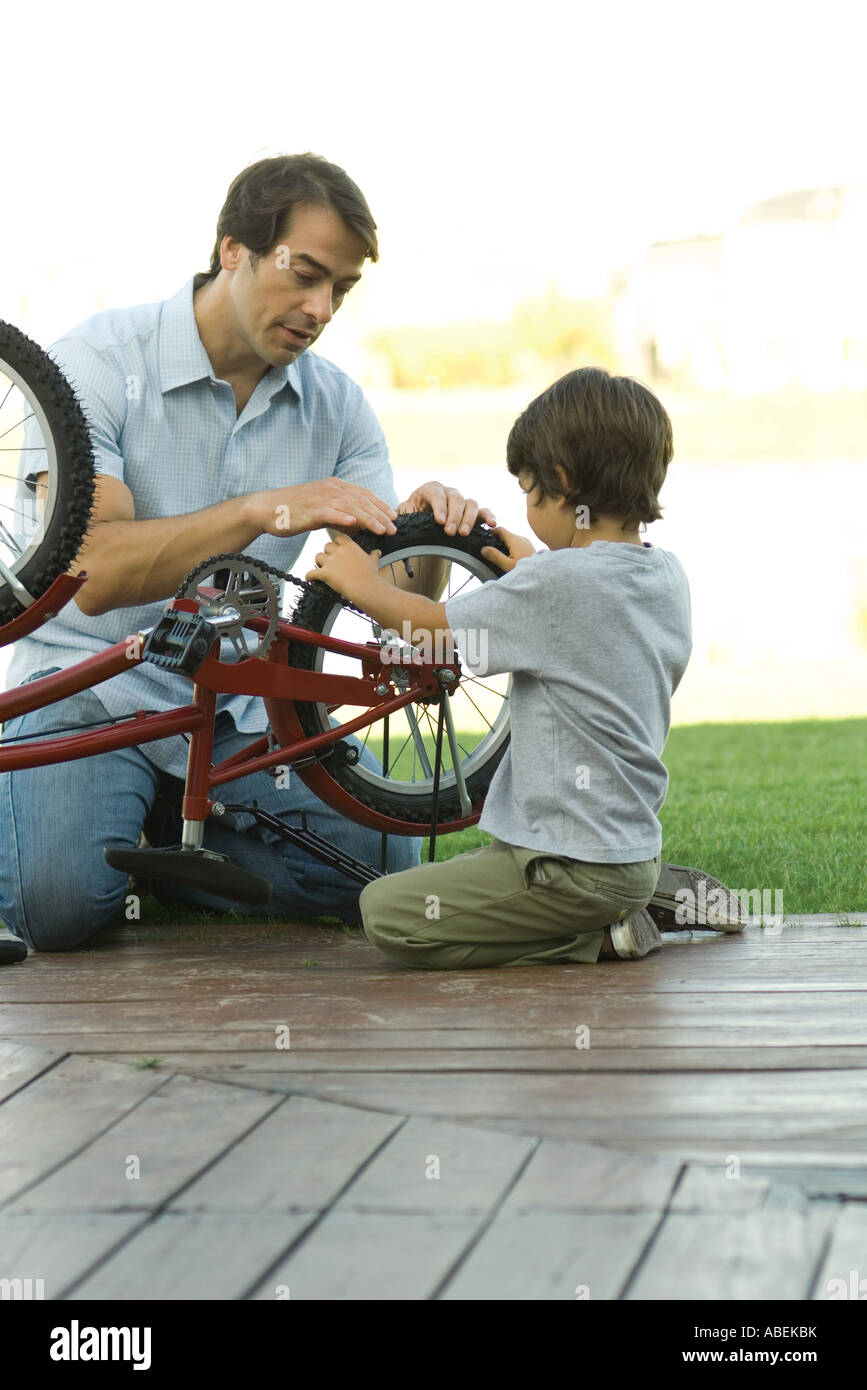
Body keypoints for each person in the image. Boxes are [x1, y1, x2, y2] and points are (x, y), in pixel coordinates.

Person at [0, 153, 495, 952]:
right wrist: (261, 509)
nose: (320, 306)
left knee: (385, 867)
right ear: (233, 248)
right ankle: (138, 827)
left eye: (340, 288)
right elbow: (95, 575)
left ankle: (166, 839)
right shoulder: (95, 362)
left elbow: (387, 598)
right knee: (57, 911)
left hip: (234, 708)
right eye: (303, 273)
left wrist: (426, 534)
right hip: (88, 689)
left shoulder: (337, 407)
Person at [306, 367, 745, 968]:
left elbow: (435, 633)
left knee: (387, 912)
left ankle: (604, 932)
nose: (526, 504)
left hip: (566, 866)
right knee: (460, 886)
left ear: (561, 485)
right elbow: (593, 620)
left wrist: (363, 584)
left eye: (528, 488)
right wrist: (538, 568)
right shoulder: (664, 575)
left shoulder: (555, 586)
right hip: (617, 848)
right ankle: (642, 893)